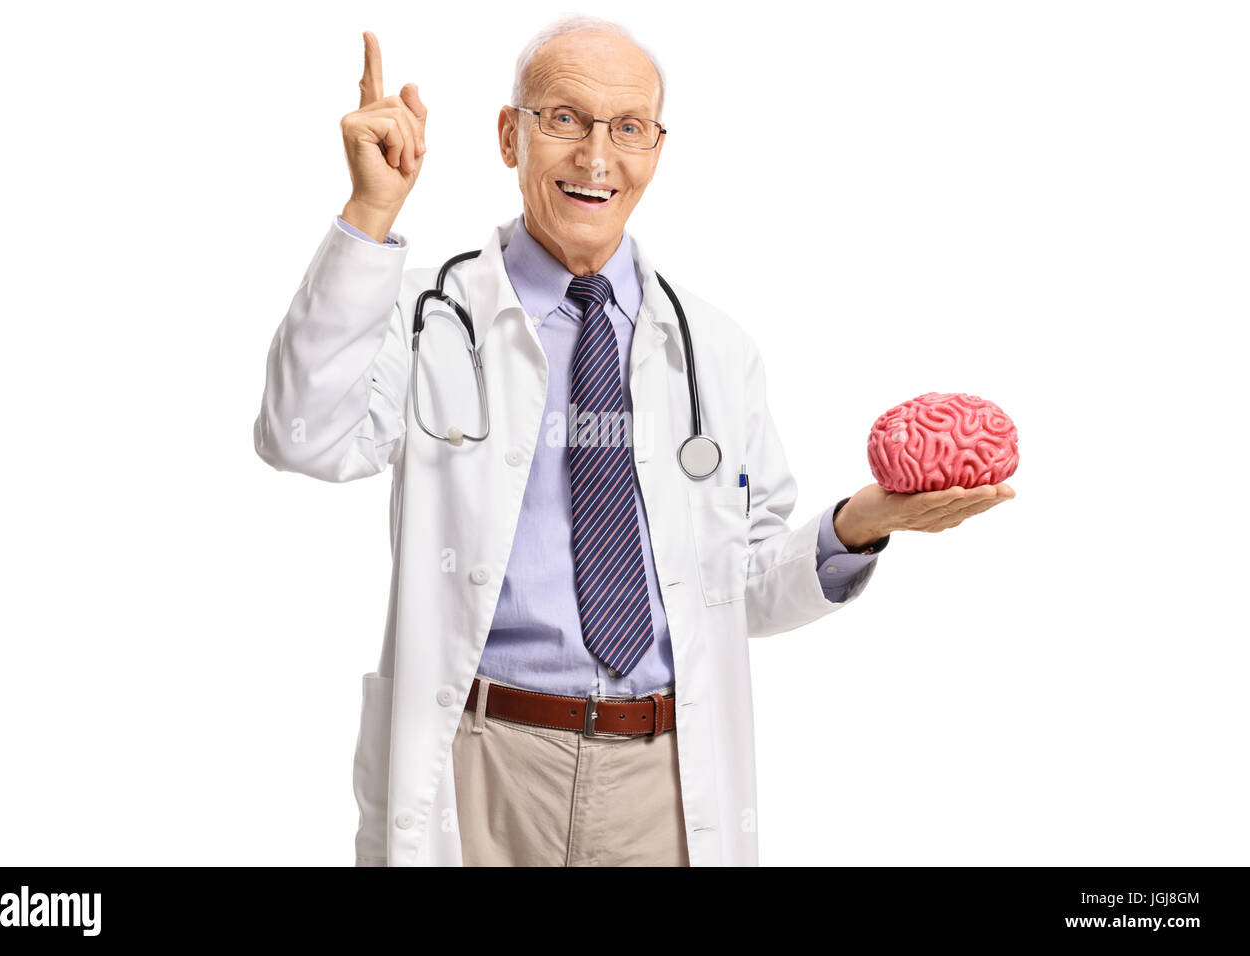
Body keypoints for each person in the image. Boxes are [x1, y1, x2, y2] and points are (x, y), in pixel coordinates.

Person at [252, 14, 1015, 866]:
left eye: (628, 128)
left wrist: (860, 525)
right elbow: (301, 436)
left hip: (666, 773)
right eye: (564, 119)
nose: (595, 157)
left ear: (657, 149)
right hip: (483, 762)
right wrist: (371, 213)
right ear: (511, 136)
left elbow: (742, 594)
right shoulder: (425, 317)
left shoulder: (716, 350)